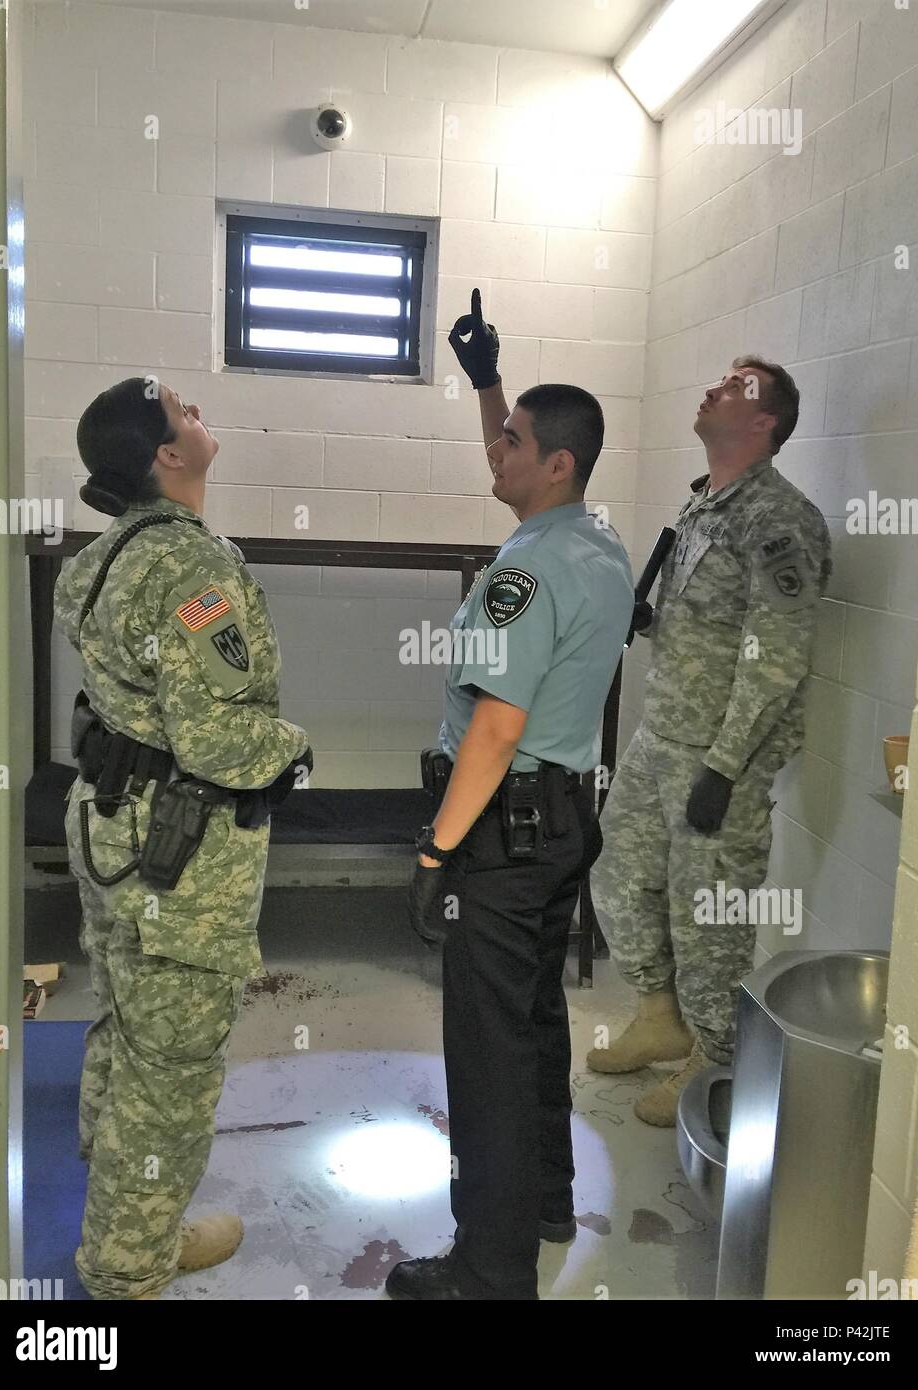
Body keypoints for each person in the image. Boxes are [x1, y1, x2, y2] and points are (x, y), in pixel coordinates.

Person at [389, 291, 635, 1300]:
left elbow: (492, 728)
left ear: (556, 465)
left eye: (512, 440)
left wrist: (436, 851)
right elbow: (514, 442)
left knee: (485, 1054)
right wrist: (485, 377)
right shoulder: (598, 548)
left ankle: (489, 1271)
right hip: (561, 818)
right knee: (532, 1021)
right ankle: (543, 1200)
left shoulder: (519, 574)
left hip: (495, 830)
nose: (495, 449)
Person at [52, 376, 310, 1299]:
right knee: (173, 1069)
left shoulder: (97, 559)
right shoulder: (195, 568)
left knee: (124, 1017)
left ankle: (110, 1183)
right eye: (185, 414)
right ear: (167, 456)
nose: (200, 415)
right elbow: (219, 739)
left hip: (108, 829)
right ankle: (128, 1264)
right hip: (178, 856)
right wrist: (297, 749)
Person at [587, 357, 832, 1125]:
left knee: (711, 918)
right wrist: (648, 621)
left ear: (765, 421)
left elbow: (779, 656)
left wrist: (724, 768)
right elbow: (713, 625)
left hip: (718, 758)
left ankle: (715, 1069)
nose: (715, 388)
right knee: (621, 872)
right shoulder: (707, 507)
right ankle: (660, 1016)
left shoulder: (780, 520)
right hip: (663, 735)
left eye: (737, 387)